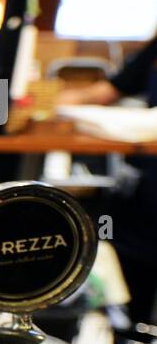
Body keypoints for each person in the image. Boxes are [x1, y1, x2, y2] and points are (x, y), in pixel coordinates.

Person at [59, 32, 157, 327]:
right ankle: (126, 332)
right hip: (144, 172)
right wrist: (60, 101)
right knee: (122, 224)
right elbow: (110, 90)